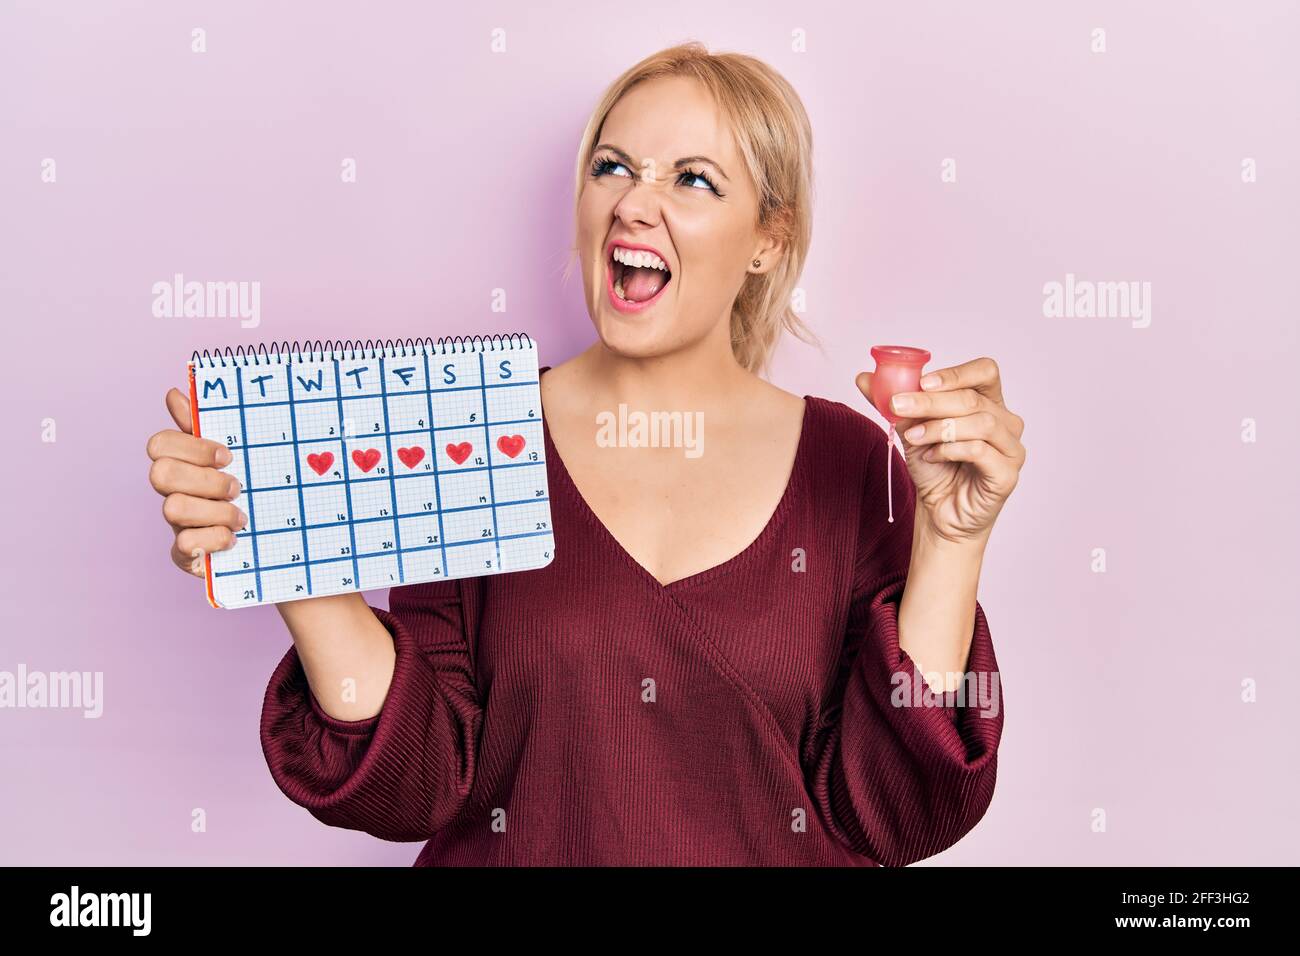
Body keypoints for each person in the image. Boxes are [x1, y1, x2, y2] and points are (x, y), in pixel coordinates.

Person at [145, 41, 1026, 866]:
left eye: (692, 179)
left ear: (770, 240)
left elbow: (897, 808)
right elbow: (417, 785)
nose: (632, 203)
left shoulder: (850, 462)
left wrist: (953, 544)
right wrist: (289, 556)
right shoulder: (475, 430)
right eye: (612, 167)